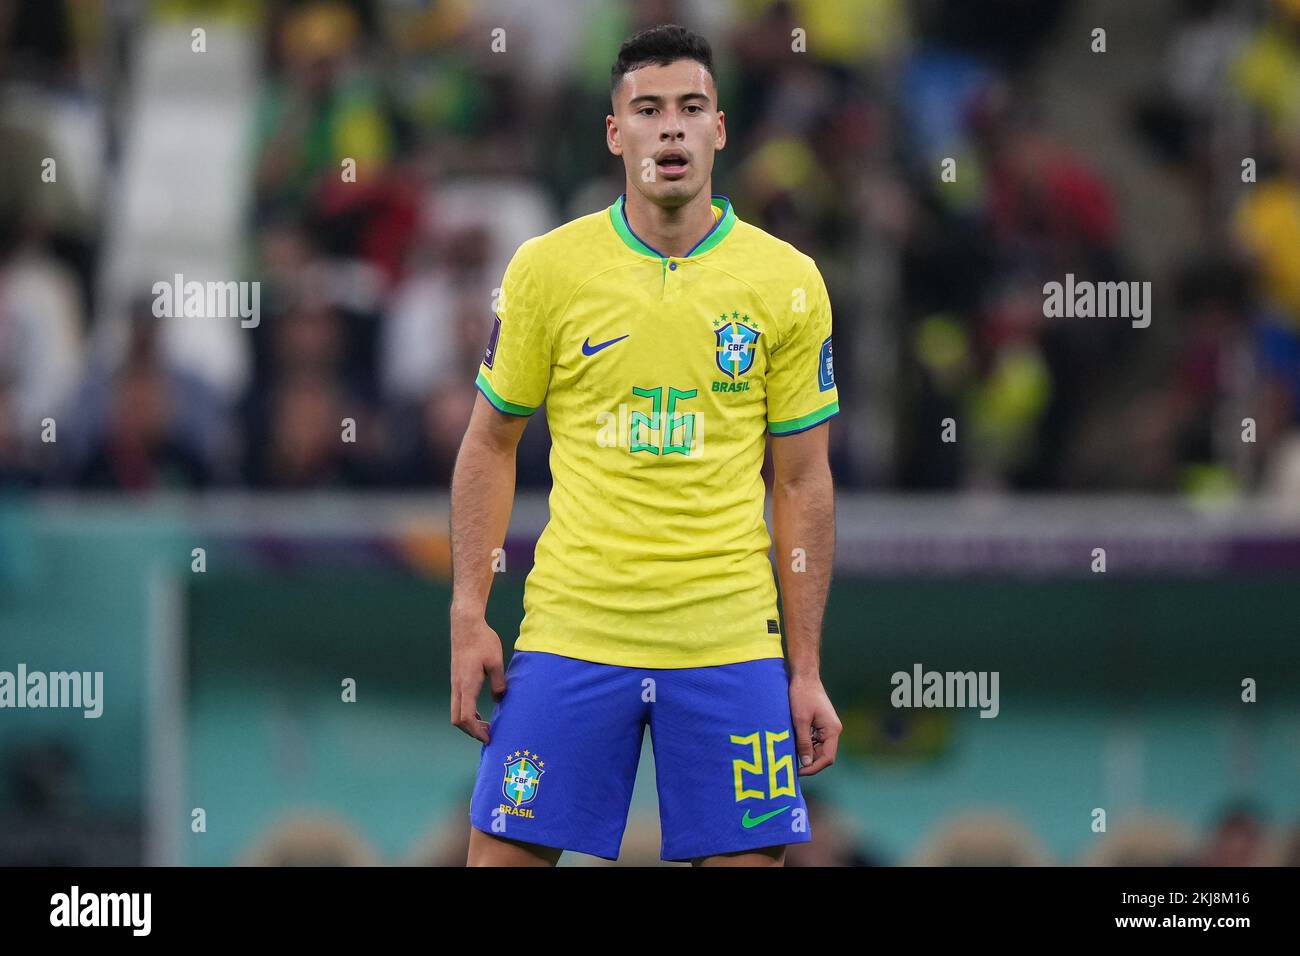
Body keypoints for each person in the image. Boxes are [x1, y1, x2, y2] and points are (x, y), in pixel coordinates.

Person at [449, 24, 842, 866]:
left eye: (691, 108)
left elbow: (803, 482)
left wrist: (803, 668)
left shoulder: (787, 282)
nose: (671, 127)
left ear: (720, 129)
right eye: (649, 109)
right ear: (614, 132)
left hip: (732, 642)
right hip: (572, 632)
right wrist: (469, 612)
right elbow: (489, 444)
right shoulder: (549, 270)